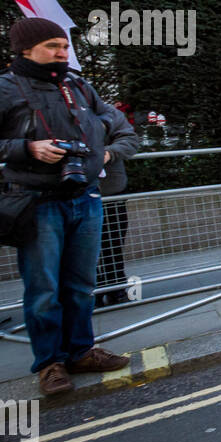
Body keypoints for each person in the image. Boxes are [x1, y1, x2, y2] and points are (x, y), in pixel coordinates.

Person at [0, 18, 138, 396]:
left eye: (65, 47)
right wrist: (26, 149)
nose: (62, 53)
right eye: (53, 46)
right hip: (36, 204)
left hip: (85, 199)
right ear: (24, 49)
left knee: (82, 285)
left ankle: (82, 350)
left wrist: (103, 155)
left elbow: (122, 132)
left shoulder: (79, 86)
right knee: (43, 290)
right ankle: (50, 363)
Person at [95, 100, 136, 308]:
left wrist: (108, 153)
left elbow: (129, 139)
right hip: (68, 192)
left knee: (112, 240)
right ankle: (90, 289)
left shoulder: (106, 111)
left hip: (109, 189)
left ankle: (115, 286)